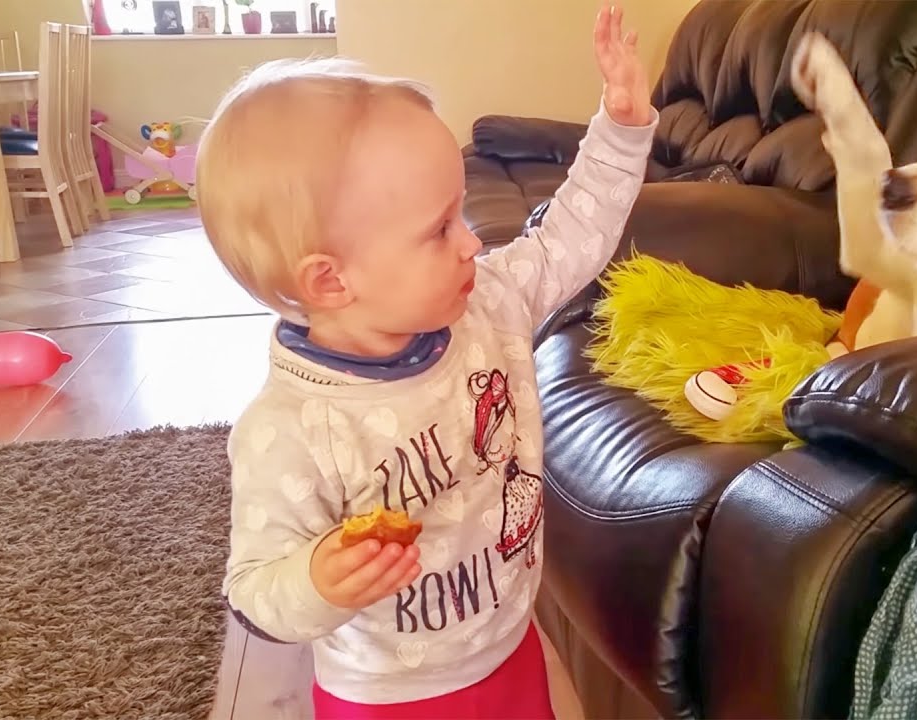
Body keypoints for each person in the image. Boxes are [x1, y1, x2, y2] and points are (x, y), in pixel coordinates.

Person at [195, 5, 656, 717]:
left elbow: (571, 233)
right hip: (389, 696)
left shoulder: (488, 305)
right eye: (440, 229)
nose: (472, 243)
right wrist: (318, 581)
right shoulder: (291, 428)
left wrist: (621, 133)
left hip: (509, 643)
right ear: (331, 281)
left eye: (462, 215)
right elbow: (255, 589)